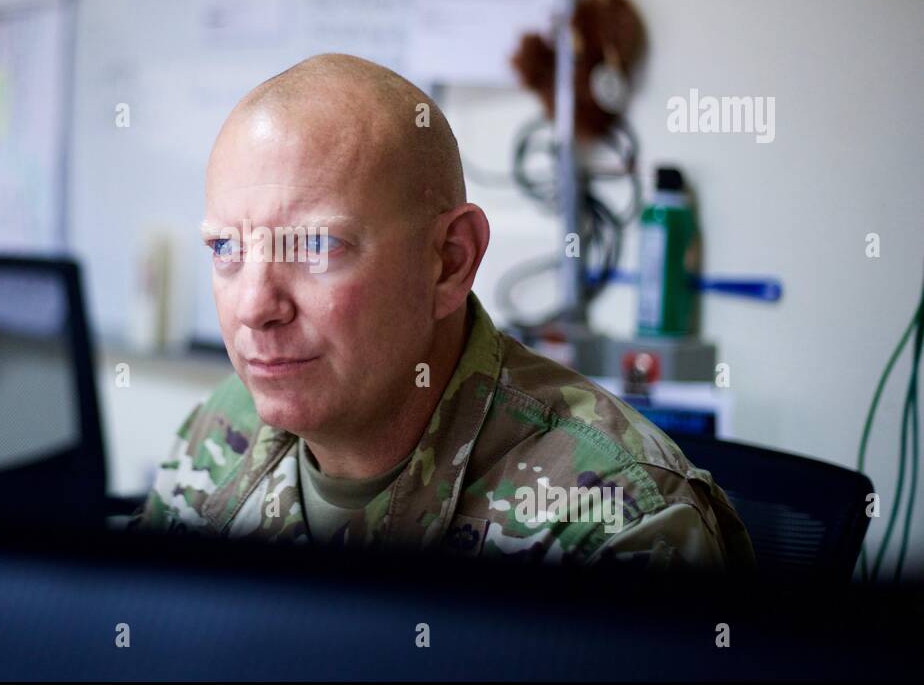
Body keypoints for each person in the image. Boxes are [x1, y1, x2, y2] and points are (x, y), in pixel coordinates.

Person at [129, 53, 754, 571]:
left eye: (315, 246)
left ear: (450, 261)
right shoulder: (216, 433)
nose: (254, 307)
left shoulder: (609, 520)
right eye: (225, 249)